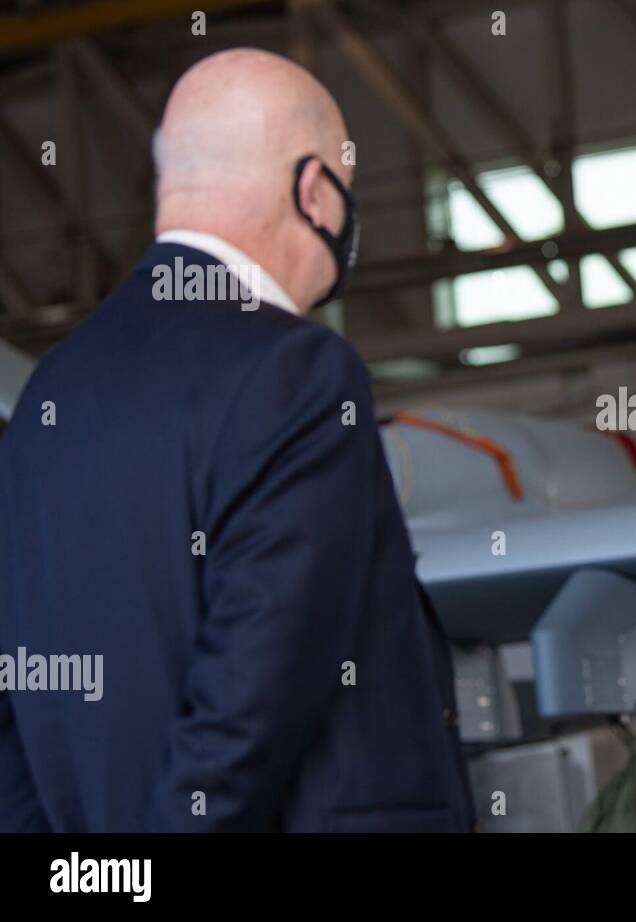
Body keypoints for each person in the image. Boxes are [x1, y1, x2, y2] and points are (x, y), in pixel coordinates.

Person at [0, 49, 475, 832]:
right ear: (314, 189)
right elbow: (253, 694)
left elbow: (13, 718)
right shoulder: (299, 370)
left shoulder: (49, 397)